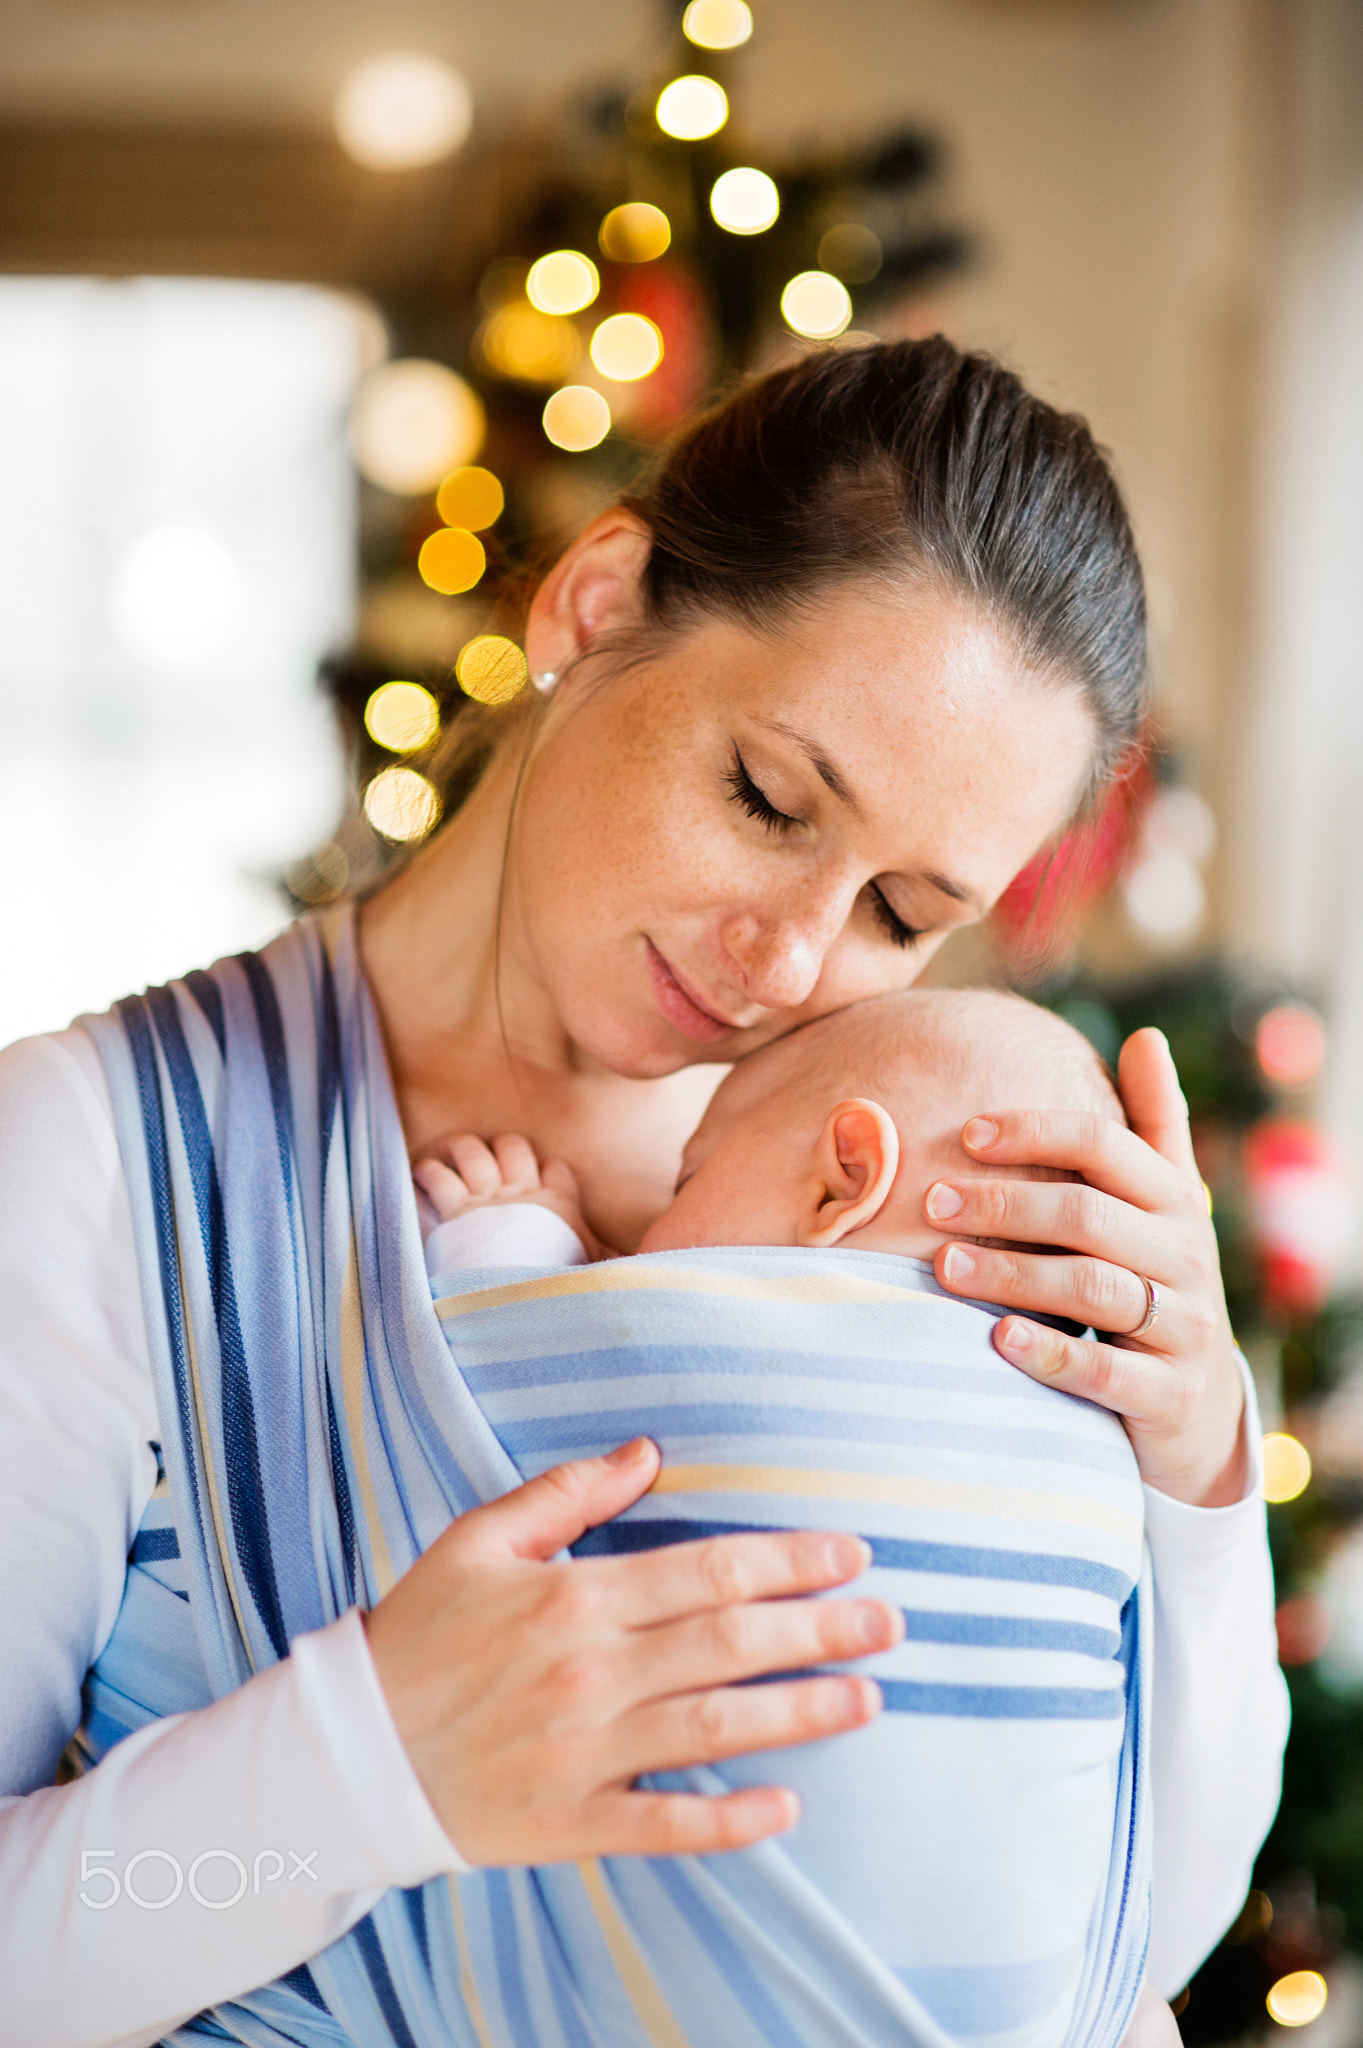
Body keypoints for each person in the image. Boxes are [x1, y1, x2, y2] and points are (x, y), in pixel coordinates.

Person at [0, 339, 1285, 2048]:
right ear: (594, 603)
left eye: (903, 910)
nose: (789, 956)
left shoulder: (953, 1194)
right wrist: (362, 1762)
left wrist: (1196, 1482)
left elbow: (1125, 1930)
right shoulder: (93, 1165)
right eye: (764, 797)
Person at [410, 986, 1161, 2048]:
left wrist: (512, 1237)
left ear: (841, 1182)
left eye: (690, 1174)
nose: (641, 1238)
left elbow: (457, 1389)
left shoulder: (722, 1322)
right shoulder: (1095, 1434)